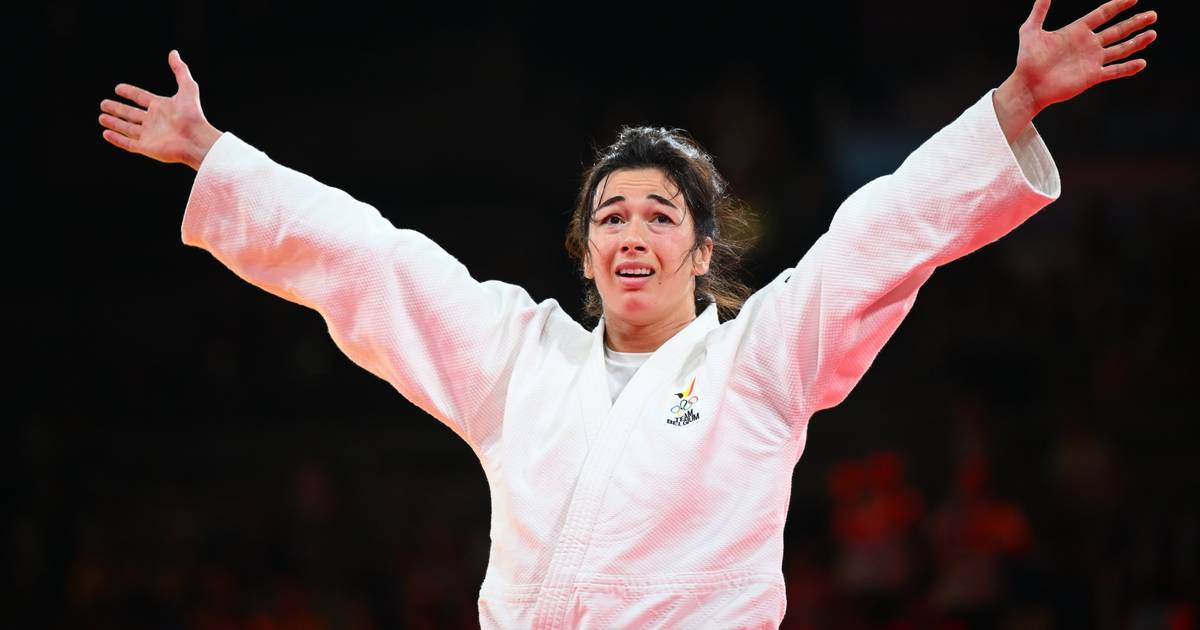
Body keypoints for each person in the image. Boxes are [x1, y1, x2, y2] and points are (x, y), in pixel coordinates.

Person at [98, 0, 1157, 627]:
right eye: (613, 215)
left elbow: (880, 238)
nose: (633, 232)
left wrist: (1009, 107)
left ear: (701, 252)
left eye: (661, 215)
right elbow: (367, 259)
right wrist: (211, 154)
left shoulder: (762, 363)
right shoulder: (518, 357)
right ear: (589, 252)